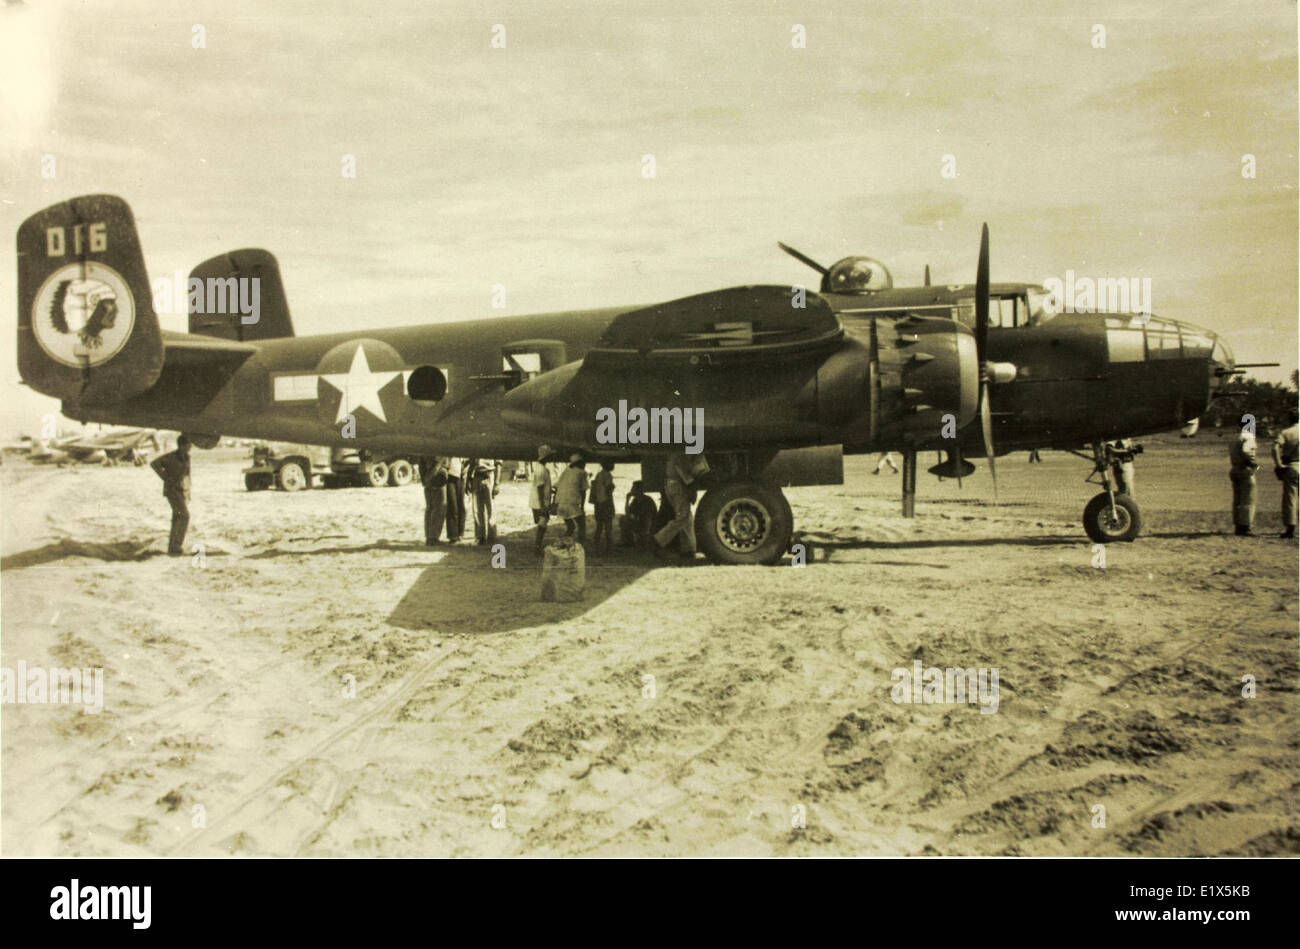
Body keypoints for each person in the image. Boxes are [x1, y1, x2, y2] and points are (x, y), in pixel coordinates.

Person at [150, 434, 192, 556]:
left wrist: (188, 491)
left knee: (177, 517)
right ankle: (176, 546)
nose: (190, 447)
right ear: (182, 445)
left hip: (180, 489)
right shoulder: (171, 457)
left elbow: (188, 475)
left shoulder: (187, 457)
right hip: (171, 490)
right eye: (188, 445)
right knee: (184, 516)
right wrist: (165, 478)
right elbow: (154, 464)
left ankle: (172, 547)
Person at [654, 451, 698, 561]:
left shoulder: (674, 450)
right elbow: (683, 470)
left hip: (671, 483)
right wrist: (692, 488)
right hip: (678, 484)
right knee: (683, 517)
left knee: (686, 517)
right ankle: (659, 540)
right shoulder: (680, 451)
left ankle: (688, 549)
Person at [1272, 408, 1299, 539]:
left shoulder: (1286, 432)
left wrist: (1278, 464)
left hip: (1292, 466)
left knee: (1290, 498)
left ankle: (1290, 528)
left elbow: (1275, 447)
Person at [1228, 424, 1259, 536]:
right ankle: (1245, 526)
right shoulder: (1248, 436)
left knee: (1238, 499)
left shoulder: (1233, 437)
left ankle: (1238, 525)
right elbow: (1247, 451)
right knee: (1248, 499)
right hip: (1245, 468)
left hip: (1235, 468)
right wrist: (1255, 464)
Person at [554, 453, 589, 542]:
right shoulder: (582, 473)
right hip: (572, 503)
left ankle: (563, 543)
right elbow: (583, 491)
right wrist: (582, 506)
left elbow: (556, 486)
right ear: (580, 463)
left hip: (560, 502)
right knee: (581, 525)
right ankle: (581, 544)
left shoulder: (566, 471)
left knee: (571, 526)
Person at [466, 457, 499, 544]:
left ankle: (492, 536)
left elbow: (498, 464)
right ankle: (480, 536)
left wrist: (497, 483)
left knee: (490, 507)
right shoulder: (476, 446)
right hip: (477, 476)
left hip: (489, 475)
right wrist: (468, 480)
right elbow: (472, 463)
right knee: (477, 508)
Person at [529, 445, 555, 555]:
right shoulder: (541, 470)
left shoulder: (541, 468)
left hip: (539, 500)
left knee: (541, 524)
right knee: (542, 525)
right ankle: (537, 547)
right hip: (539, 501)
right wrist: (542, 505)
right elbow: (540, 488)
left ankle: (537, 546)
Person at [420, 456, 448, 545]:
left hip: (428, 481)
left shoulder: (423, 451)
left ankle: (429, 537)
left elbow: (422, 466)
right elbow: (437, 464)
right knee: (439, 509)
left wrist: (425, 480)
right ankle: (433, 537)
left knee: (430, 509)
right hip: (437, 481)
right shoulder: (439, 451)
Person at [621, 480, 658, 549]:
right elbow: (628, 513)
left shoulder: (647, 500)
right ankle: (628, 541)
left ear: (638, 490)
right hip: (640, 521)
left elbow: (649, 517)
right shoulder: (635, 500)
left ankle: (644, 539)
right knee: (623, 519)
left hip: (648, 524)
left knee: (643, 519)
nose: (631, 490)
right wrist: (627, 500)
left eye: (633, 488)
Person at [590, 461, 616, 555]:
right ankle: (609, 549)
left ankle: (596, 548)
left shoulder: (598, 475)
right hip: (606, 503)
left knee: (599, 527)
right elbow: (608, 490)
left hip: (598, 503)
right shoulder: (608, 475)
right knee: (608, 527)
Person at [444, 456, 465, 542]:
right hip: (450, 477)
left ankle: (460, 533)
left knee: (461, 506)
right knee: (452, 506)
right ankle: (452, 535)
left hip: (461, 477)